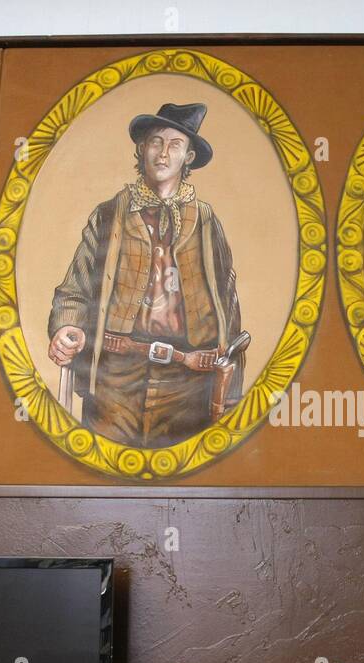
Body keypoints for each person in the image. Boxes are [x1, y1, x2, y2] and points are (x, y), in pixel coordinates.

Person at [47, 102, 244, 448]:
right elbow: (76, 288)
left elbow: (227, 300)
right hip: (116, 381)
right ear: (141, 149)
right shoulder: (109, 214)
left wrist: (232, 391)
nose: (163, 153)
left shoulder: (207, 221)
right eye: (156, 142)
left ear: (189, 157)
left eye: (175, 145)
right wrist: (66, 327)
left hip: (189, 384)